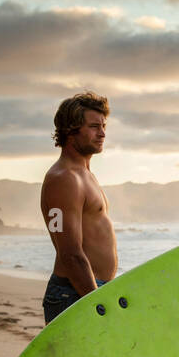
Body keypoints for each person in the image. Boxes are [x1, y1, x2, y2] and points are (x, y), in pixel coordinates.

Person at [40, 91, 118, 324]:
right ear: (70, 131)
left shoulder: (84, 174)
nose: (102, 133)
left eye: (104, 126)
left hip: (89, 290)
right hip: (74, 295)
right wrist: (96, 302)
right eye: (94, 127)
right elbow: (70, 253)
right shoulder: (63, 179)